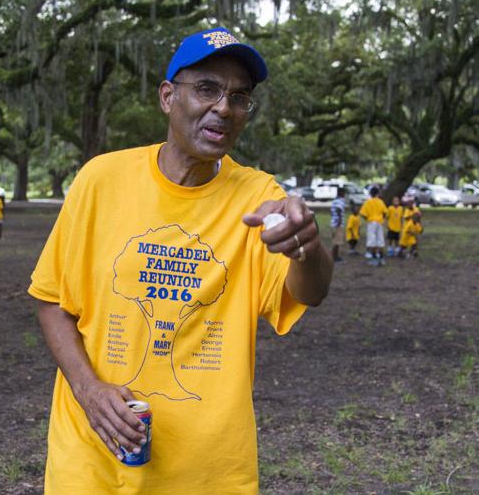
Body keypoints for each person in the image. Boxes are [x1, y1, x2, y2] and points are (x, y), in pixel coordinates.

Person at [28, 27, 333, 494]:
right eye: (207, 88)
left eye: (240, 97)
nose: (224, 108)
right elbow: (51, 300)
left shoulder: (259, 198)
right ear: (168, 97)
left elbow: (309, 292)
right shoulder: (101, 180)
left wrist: (306, 244)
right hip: (91, 459)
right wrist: (90, 392)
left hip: (207, 471)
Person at [359, 186, 387, 266]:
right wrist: (382, 218)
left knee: (372, 240)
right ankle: (381, 258)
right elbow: (385, 212)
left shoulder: (368, 202)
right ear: (378, 193)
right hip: (379, 222)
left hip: (371, 222)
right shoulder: (380, 202)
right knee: (380, 240)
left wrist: (367, 218)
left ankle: (374, 258)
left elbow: (362, 214)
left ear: (370, 194)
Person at [330, 187, 347, 262]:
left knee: (336, 241)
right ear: (342, 193)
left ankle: (335, 256)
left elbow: (332, 211)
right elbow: (338, 210)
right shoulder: (340, 201)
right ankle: (334, 257)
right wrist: (339, 223)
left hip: (333, 223)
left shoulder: (334, 201)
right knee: (336, 242)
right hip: (337, 224)